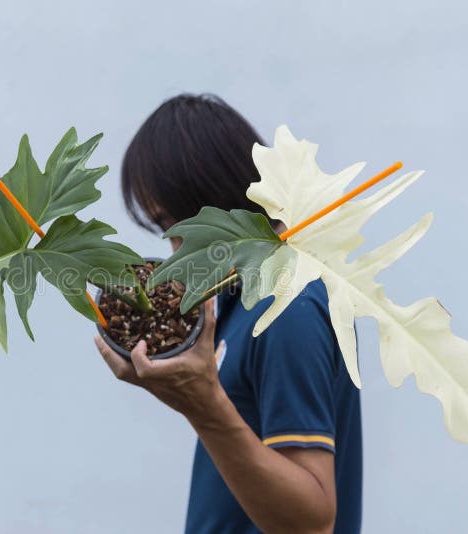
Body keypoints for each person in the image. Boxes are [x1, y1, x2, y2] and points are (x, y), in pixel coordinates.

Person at [93, 94, 362, 534]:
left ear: (208, 199)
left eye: (172, 229)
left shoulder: (286, 306)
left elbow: (312, 522)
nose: (173, 255)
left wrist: (203, 407)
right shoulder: (238, 302)